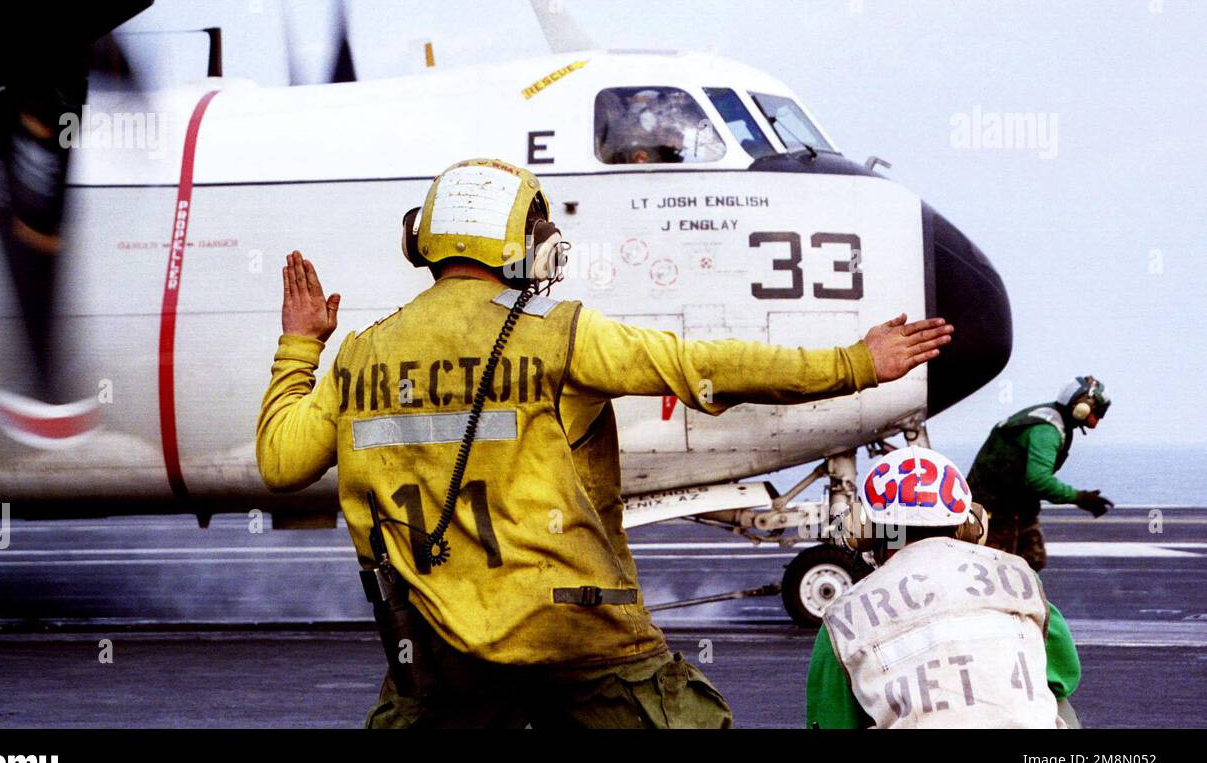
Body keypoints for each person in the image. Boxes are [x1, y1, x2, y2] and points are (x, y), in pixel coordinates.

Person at [256, 157, 954, 729]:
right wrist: (855, 363)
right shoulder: (556, 330)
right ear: (523, 244)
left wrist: (299, 346)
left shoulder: (361, 355)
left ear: (422, 243)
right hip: (572, 628)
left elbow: (281, 463)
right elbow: (702, 367)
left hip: (434, 649)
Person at [806, 447, 1083, 729]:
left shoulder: (842, 618)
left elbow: (829, 719)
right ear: (970, 525)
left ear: (862, 529)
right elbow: (1064, 676)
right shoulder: (1018, 577)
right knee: (1057, 705)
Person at [967, 377, 1113, 572]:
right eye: (1098, 412)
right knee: (999, 570)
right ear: (1082, 407)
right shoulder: (1047, 430)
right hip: (994, 510)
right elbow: (1038, 480)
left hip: (1015, 507)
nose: (1098, 419)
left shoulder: (1053, 420)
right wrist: (1080, 498)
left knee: (1033, 558)